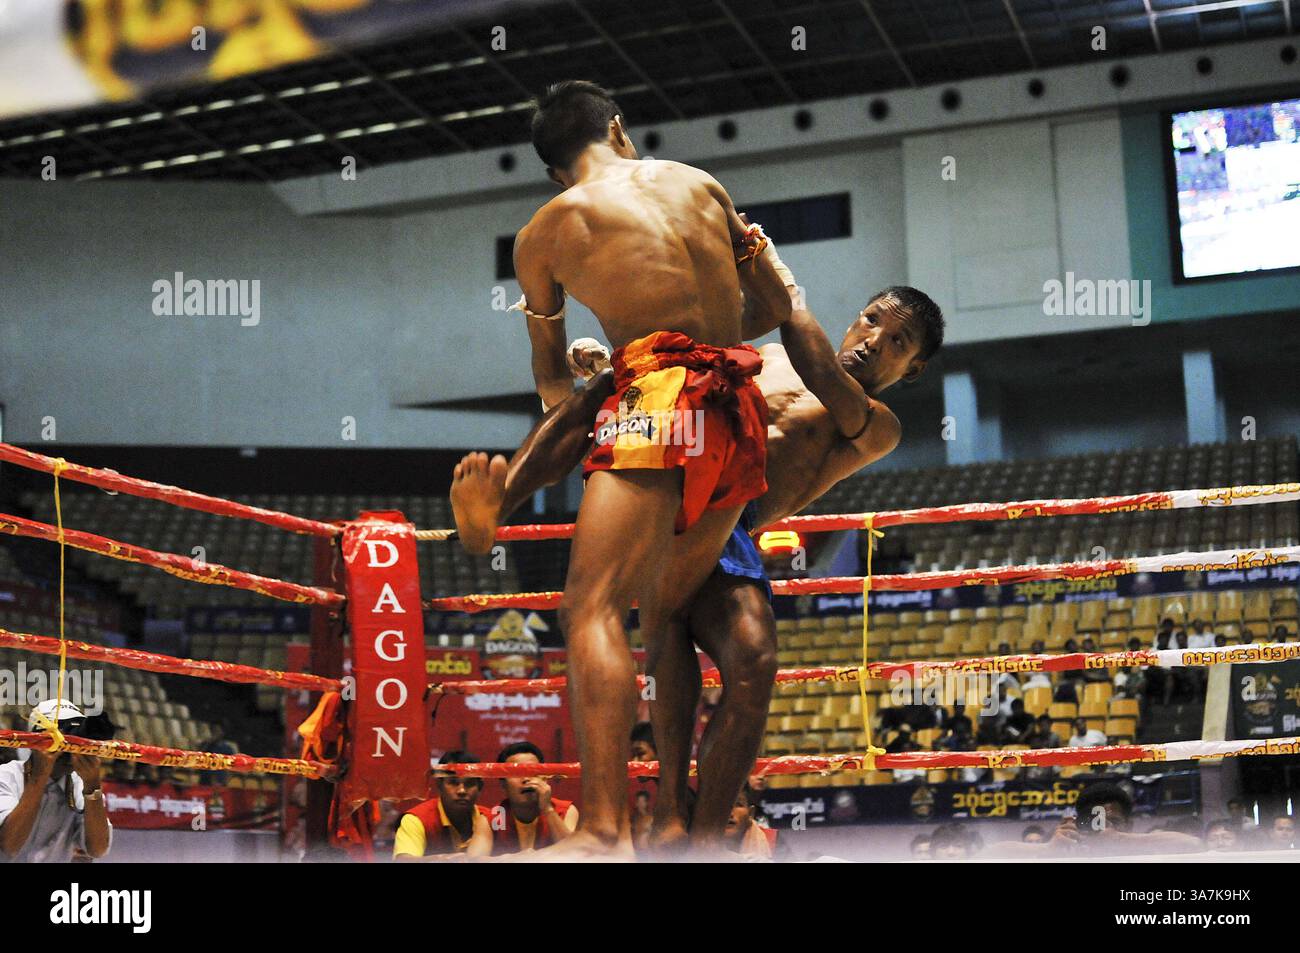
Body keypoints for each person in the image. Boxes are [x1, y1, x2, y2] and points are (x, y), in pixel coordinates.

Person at [453, 269, 942, 853]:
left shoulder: (874, 422)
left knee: (752, 661)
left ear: (910, 369)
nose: (872, 341)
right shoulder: (766, 355)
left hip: (733, 515)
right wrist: (621, 362)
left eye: (896, 343)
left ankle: (698, 833)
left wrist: (774, 275)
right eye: (872, 320)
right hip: (670, 465)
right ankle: (500, 505)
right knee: (613, 386)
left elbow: (815, 364)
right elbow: (687, 368)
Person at [463, 80, 808, 858]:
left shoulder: (547, 228)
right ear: (617, 128)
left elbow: (553, 380)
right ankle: (682, 823)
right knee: (661, 601)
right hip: (737, 408)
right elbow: (776, 306)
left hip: (656, 399)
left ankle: (604, 830)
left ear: (556, 169)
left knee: (588, 606)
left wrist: (616, 357)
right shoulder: (701, 184)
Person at [0, 700, 111, 862]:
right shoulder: (6, 777)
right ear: (36, 742)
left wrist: (93, 786)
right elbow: (10, 845)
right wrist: (39, 777)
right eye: (63, 742)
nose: (69, 750)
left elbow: (98, 849)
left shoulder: (81, 785)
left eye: (76, 743)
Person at [393, 751, 493, 860]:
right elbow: (403, 860)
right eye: (453, 783)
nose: (461, 790)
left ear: (480, 786)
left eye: (469, 783)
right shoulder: (416, 819)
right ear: (439, 785)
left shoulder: (491, 820)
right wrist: (441, 860)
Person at [492, 742, 578, 854]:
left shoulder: (566, 811)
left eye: (533, 772)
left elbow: (572, 856)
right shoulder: (495, 817)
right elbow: (473, 858)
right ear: (503, 784)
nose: (526, 779)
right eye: (517, 773)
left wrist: (548, 809)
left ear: (544, 778)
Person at [722, 784, 777, 860]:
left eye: (738, 804)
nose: (729, 813)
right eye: (722, 805)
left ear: (751, 813)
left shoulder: (775, 840)